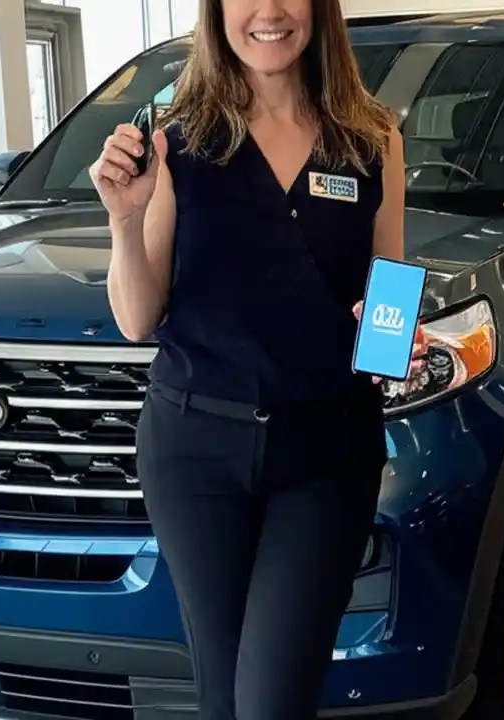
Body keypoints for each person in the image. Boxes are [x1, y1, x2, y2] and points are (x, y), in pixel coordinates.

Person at [89, 0, 424, 716]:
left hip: (326, 452)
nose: (268, 12)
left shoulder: (373, 139)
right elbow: (135, 319)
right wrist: (124, 220)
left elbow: (388, 281)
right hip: (195, 448)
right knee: (221, 692)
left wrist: (391, 335)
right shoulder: (178, 141)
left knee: (273, 698)